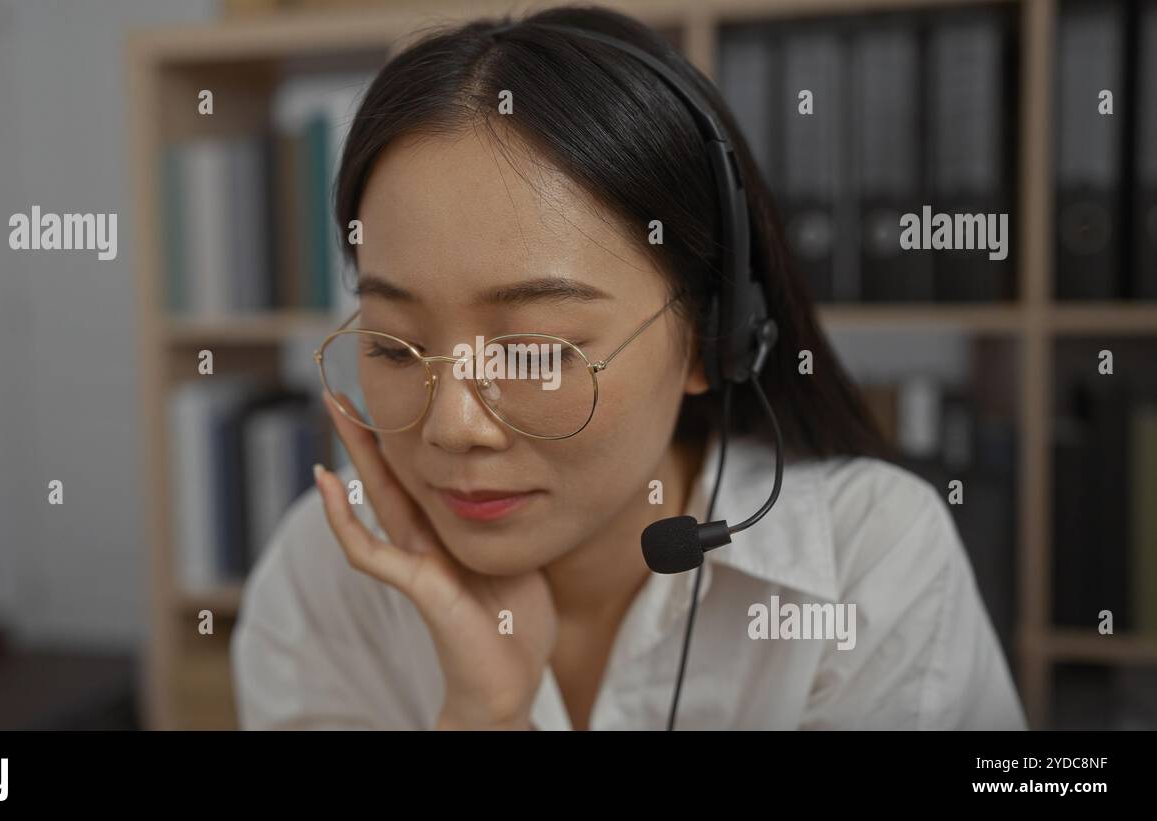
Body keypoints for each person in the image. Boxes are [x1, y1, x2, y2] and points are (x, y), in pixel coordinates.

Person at [231, 5, 1026, 730]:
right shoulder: (324, 572)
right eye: (394, 347)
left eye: (538, 350)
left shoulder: (866, 561)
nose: (452, 428)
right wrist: (485, 713)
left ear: (710, 336)